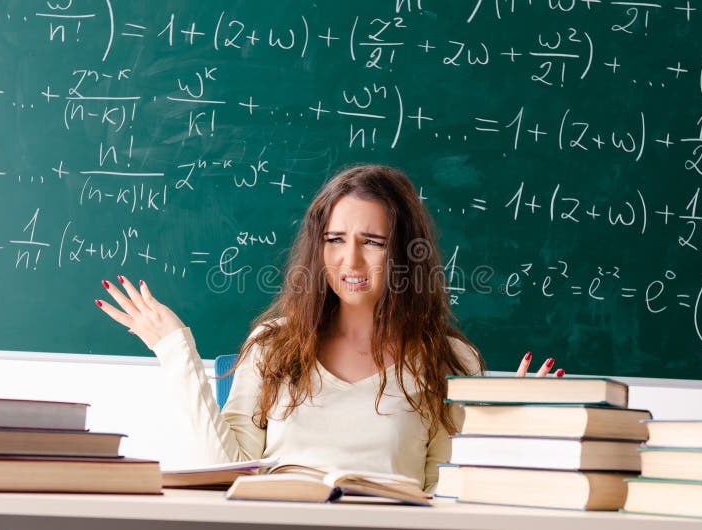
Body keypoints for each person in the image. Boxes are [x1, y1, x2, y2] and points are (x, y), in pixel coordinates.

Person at [95, 164, 561, 492]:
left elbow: (450, 495)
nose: (349, 261)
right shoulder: (273, 345)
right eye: (335, 240)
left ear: (404, 252)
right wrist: (176, 351)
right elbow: (224, 473)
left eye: (372, 242)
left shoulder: (452, 361)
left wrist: (502, 437)